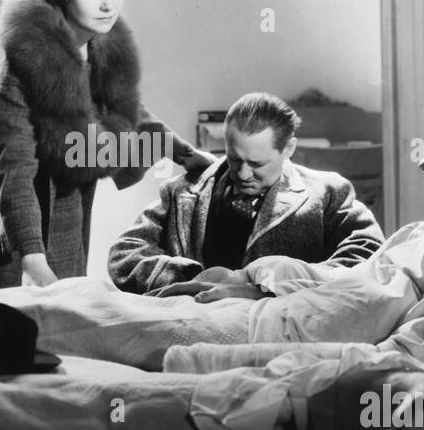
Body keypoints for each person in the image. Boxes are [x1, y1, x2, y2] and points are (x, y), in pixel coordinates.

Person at [0, 89, 424, 371]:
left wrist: (255, 283)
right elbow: (128, 252)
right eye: (230, 157)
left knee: (86, 325)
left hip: (264, 326)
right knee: (78, 300)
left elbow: (406, 356)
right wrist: (201, 276)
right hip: (230, 307)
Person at [0, 0, 213, 290]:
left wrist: (188, 157)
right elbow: (14, 168)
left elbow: (127, 112)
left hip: (68, 204)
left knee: (65, 316)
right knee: (6, 328)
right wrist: (32, 260)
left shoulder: (96, 40)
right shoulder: (22, 57)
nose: (109, 4)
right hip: (13, 220)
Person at [107, 92, 383, 294]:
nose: (242, 174)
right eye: (234, 159)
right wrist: (189, 277)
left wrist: (279, 283)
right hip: (193, 322)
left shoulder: (328, 193)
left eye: (257, 164)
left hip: (282, 330)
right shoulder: (182, 191)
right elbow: (124, 255)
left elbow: (368, 256)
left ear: (288, 149)